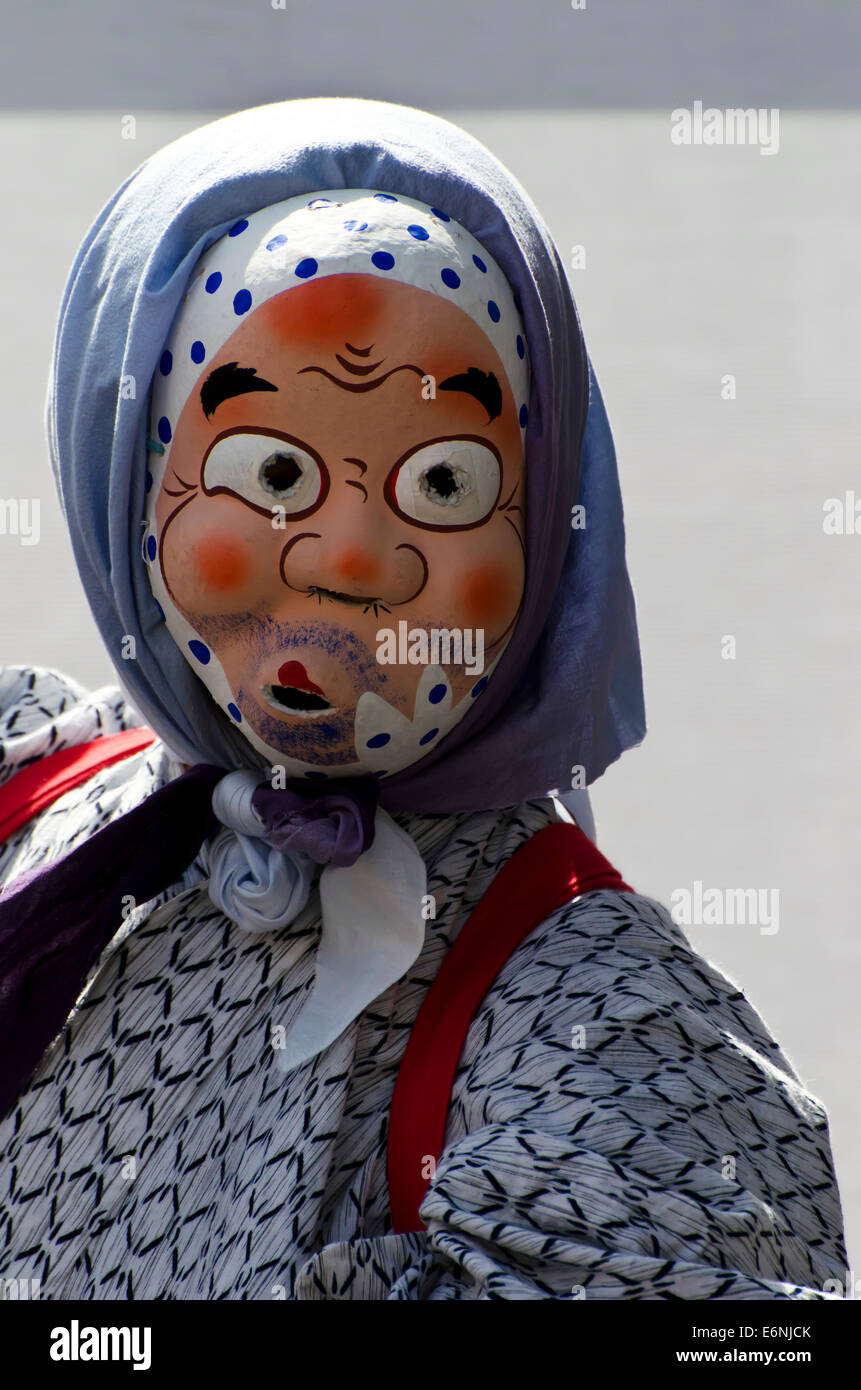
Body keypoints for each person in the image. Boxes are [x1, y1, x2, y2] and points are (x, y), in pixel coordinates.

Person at [0, 97, 847, 1300]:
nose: (350, 557)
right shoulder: (31, 811)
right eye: (272, 472)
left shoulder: (608, 1047)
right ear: (123, 485)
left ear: (547, 515)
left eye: (442, 482)